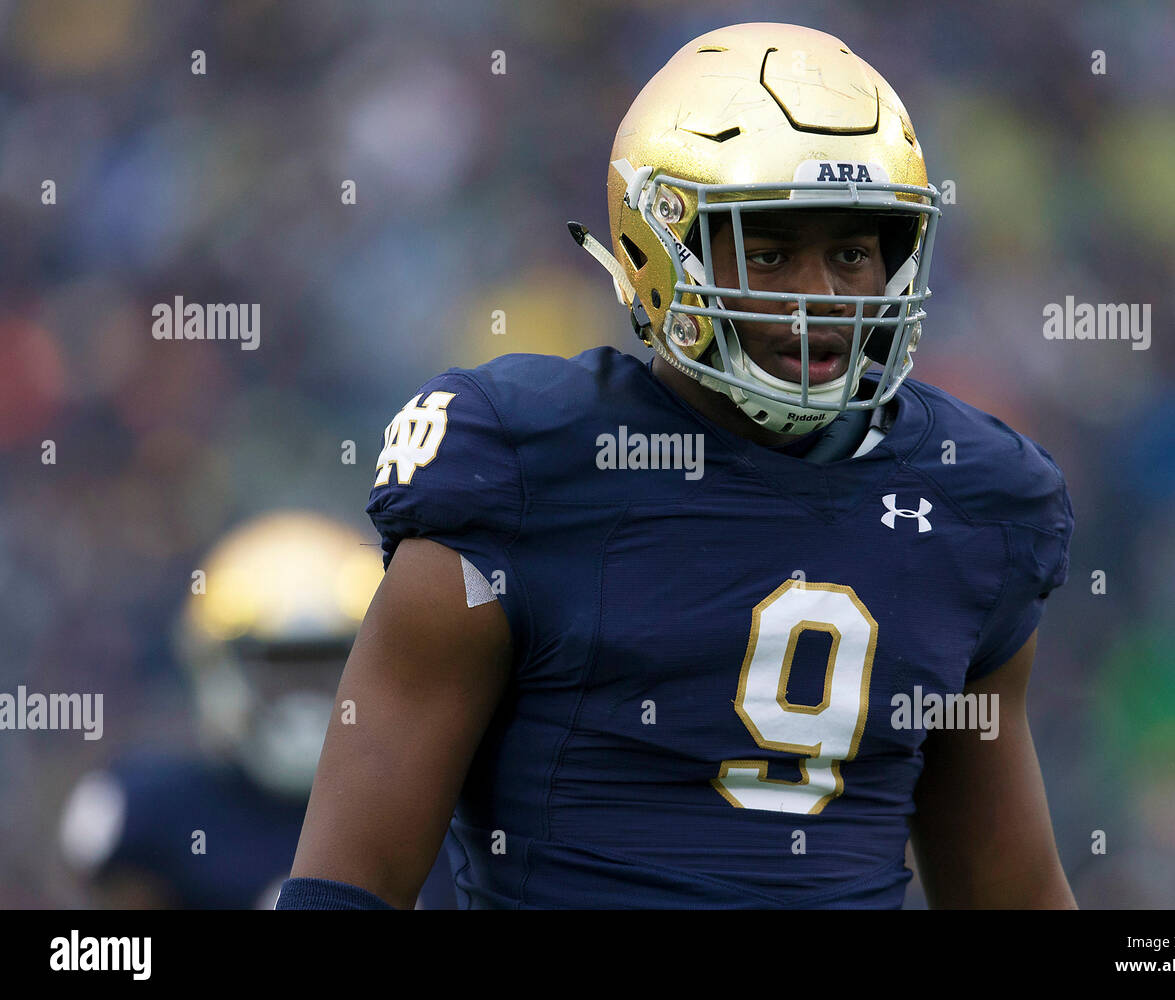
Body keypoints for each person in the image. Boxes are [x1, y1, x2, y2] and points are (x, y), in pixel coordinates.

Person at [280, 21, 1076, 909]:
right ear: (659, 248)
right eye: (770, 252)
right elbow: (346, 890)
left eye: (852, 254)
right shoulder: (520, 468)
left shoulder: (979, 500)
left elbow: (1011, 894)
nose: (821, 295)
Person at [58, 510, 456, 908]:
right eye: (279, 670)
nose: (303, 700)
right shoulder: (156, 814)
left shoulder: (442, 818)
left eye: (328, 668)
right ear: (216, 669)